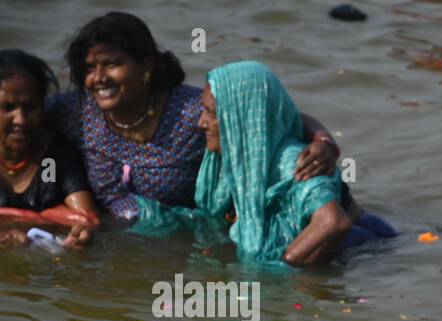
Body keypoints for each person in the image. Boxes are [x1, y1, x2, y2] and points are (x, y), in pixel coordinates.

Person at [46, 11, 340, 221]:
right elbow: (20, 126)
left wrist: (324, 142)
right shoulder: (77, 112)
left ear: (146, 65)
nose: (98, 79)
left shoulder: (189, 111)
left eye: (111, 64)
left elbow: (267, 116)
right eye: (88, 69)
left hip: (185, 246)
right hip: (117, 248)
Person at [135, 61, 391, 267]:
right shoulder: (244, 151)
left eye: (211, 114)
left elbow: (334, 223)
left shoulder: (296, 163)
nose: (201, 122)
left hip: (368, 251)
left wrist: (282, 267)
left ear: (240, 119)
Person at [0, 50, 98, 249]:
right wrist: (45, 217)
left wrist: (78, 236)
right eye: (8, 107)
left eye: (30, 107)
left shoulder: (51, 160)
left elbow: (87, 220)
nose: (20, 120)